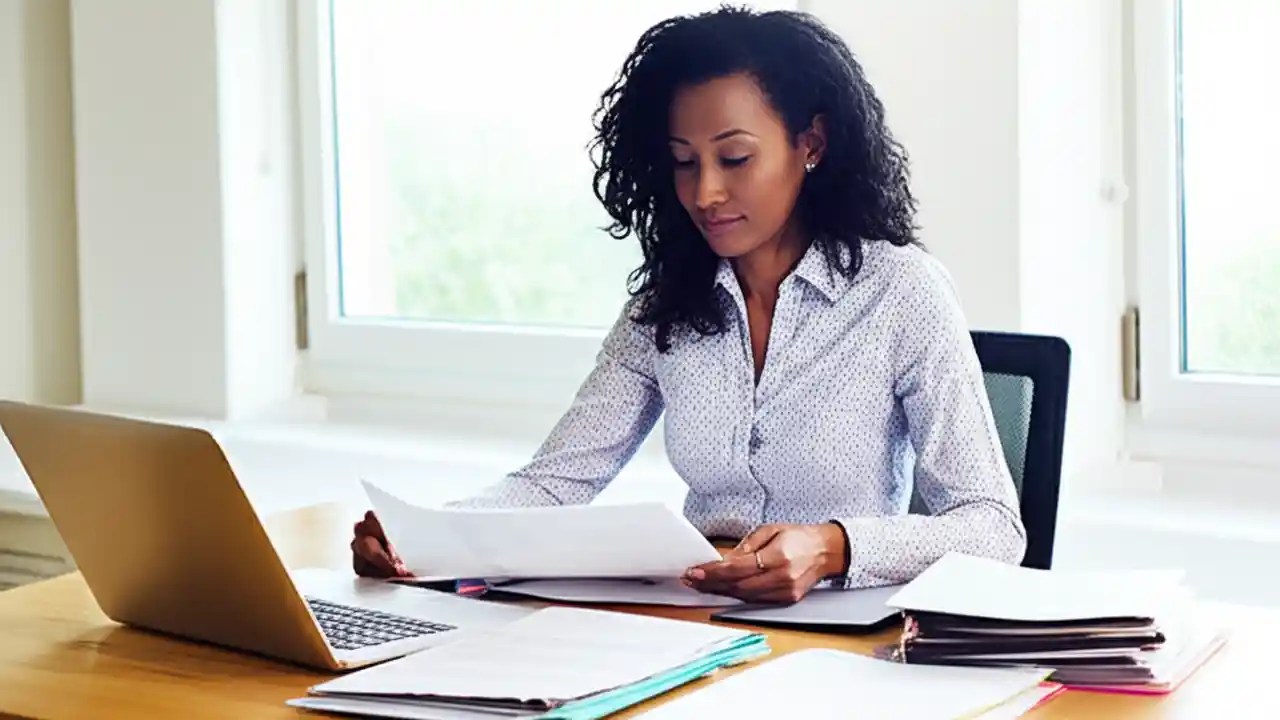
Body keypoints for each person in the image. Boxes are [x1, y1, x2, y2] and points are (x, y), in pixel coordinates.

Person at [352, 7, 1025, 603]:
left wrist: (830, 547)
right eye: (683, 162)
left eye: (734, 158)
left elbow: (993, 526)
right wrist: (427, 534)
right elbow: (555, 482)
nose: (704, 193)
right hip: (694, 622)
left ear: (810, 145)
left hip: (845, 637)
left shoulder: (901, 292)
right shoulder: (665, 307)